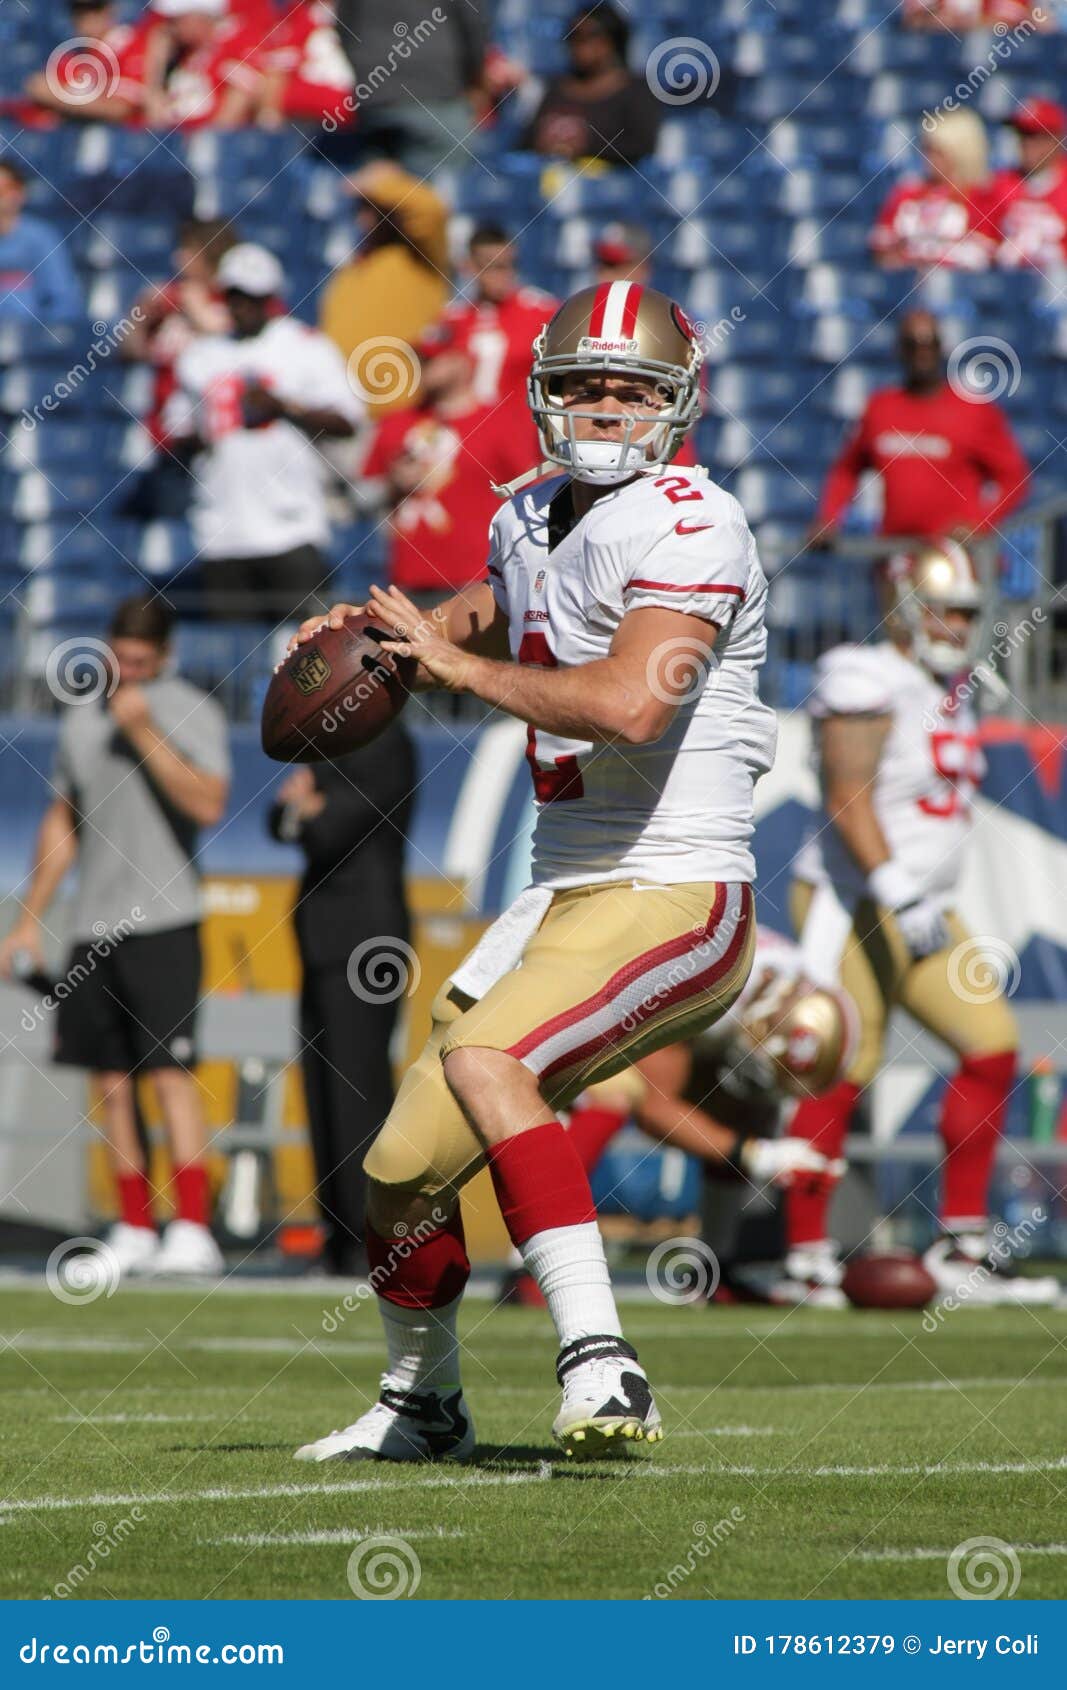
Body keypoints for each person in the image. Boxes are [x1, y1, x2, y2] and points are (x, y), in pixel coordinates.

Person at [288, 278, 777, 1463]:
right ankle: (424, 1402)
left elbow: (627, 705)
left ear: (677, 404)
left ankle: (603, 1363)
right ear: (542, 396)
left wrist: (460, 680)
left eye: (630, 390)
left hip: (679, 886)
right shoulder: (528, 515)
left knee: (489, 1058)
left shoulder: (692, 519)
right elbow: (507, 607)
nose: (604, 409)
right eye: (582, 387)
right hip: (562, 893)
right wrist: (398, 642)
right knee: (401, 1169)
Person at [781, 541, 1060, 1308]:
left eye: (970, 613)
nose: (957, 624)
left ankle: (959, 1247)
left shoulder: (945, 687)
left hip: (924, 909)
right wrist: (892, 885)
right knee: (836, 1063)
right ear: (905, 607)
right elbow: (845, 793)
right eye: (946, 607)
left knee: (990, 1047)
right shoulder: (861, 673)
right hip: (852, 902)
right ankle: (806, 1257)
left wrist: (915, 898)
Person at [0, 596, 231, 1282]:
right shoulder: (81, 718)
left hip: (166, 920)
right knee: (108, 1082)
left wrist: (148, 734)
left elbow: (209, 803)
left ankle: (191, 1227)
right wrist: (27, 917)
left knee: (169, 1077)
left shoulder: (193, 709)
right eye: (119, 659)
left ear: (163, 656)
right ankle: (133, 1224)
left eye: (140, 662)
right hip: (90, 926)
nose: (127, 672)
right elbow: (63, 822)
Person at [503, 927, 851, 1306]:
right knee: (617, 1091)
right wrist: (757, 1154)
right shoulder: (713, 982)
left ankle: (714, 1268)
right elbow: (654, 1107)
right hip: (587, 989)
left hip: (658, 991)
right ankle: (528, 1264)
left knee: (743, 1104)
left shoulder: (798, 990)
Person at [268, 723, 415, 1277]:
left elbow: (331, 828)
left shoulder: (383, 741)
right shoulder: (330, 754)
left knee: (358, 1092)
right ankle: (337, 1229)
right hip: (323, 941)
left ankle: (371, 1235)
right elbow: (281, 819)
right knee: (321, 1088)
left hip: (366, 941)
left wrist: (308, 808)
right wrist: (303, 808)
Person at [164, 242, 362, 620]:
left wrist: (285, 406)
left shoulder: (306, 347)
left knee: (304, 650)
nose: (242, 306)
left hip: (292, 525)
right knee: (230, 661)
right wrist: (202, 432)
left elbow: (347, 422)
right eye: (234, 296)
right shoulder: (201, 355)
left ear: (271, 297)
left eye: (252, 297)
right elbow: (177, 432)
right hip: (222, 528)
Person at [809, 310, 1030, 547]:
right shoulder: (880, 409)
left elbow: (1014, 478)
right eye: (912, 344)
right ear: (900, 350)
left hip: (954, 555)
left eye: (929, 343)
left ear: (940, 348)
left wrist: (979, 524)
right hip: (896, 553)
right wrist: (828, 518)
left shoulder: (973, 410)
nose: (921, 353)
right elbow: (846, 470)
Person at [360, 332, 537, 598]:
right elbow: (358, 497)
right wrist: (392, 485)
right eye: (419, 359)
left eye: (432, 359)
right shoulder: (395, 423)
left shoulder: (501, 420)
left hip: (478, 577)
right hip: (407, 578)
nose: (423, 366)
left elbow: (531, 490)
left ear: (462, 361)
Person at [122, 216, 237, 518]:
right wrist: (140, 317)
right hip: (168, 441)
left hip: (217, 440)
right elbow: (131, 352)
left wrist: (195, 307)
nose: (178, 258)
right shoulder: (168, 302)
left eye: (187, 250)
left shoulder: (237, 300)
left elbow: (238, 341)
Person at [319, 162, 450, 414]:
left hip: (402, 411)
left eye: (376, 208)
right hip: (346, 412)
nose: (363, 216)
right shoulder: (349, 271)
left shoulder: (421, 258)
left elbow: (430, 210)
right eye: (362, 207)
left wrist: (379, 183)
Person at [333, 0, 487, 175]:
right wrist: (475, 80)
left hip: (374, 94)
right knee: (440, 187)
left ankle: (378, 187)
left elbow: (343, 25)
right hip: (436, 94)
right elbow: (472, 25)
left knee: (382, 188)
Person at [431, 224, 558, 409]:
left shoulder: (542, 311)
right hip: (467, 430)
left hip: (520, 430)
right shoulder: (453, 319)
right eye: (492, 265)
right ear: (469, 266)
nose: (504, 273)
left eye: (510, 264)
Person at [523, 3, 662, 168]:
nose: (581, 44)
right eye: (574, 36)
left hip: (610, 187)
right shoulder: (556, 88)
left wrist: (583, 147)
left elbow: (642, 146)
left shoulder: (636, 90)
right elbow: (525, 142)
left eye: (591, 35)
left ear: (613, 40)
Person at [871, 109, 1001, 271]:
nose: (929, 158)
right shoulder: (907, 190)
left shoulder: (982, 196)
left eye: (938, 152)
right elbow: (881, 249)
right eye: (926, 150)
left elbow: (984, 256)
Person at [22, 0, 152, 125]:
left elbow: (120, 108)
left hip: (122, 138)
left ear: (110, 9)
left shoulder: (130, 44)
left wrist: (58, 99)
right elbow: (38, 87)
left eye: (94, 7)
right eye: (77, 9)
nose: (85, 16)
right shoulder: (73, 54)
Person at [0, 160, 82, 324]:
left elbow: (63, 301)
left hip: (29, 341)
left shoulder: (42, 237)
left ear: (20, 193)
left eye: (3, 188)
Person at [254, 1, 355, 129]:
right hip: (312, 83)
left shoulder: (320, 18)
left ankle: (269, 134)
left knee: (273, 82)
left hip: (337, 93)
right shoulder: (299, 15)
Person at [995, 98, 1067, 272]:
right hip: (1006, 285)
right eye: (1021, 135)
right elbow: (984, 242)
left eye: (1034, 135)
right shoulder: (999, 184)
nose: (1027, 144)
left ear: (1056, 139)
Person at [593, 223, 653, 288]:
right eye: (603, 265)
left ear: (643, 269)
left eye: (617, 266)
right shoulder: (584, 296)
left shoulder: (661, 297)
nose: (606, 275)